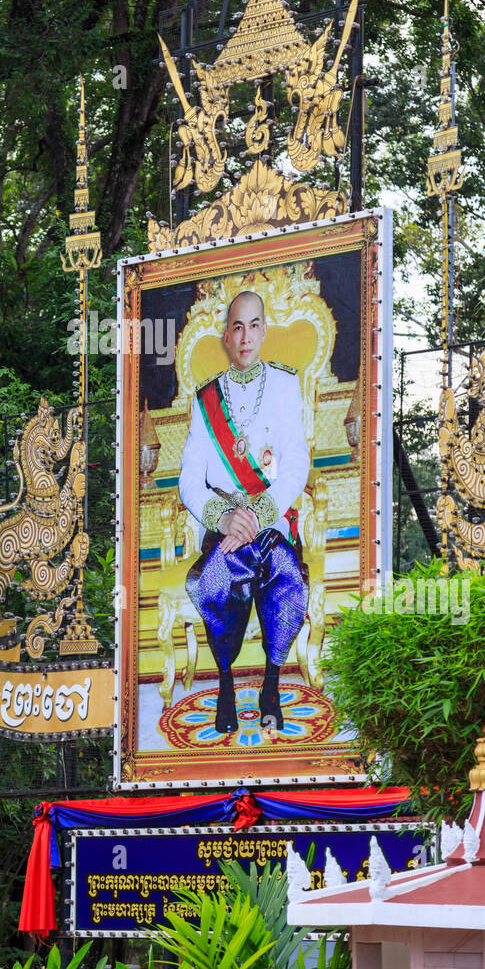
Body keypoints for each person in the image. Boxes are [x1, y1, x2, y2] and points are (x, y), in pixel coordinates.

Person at [178, 290, 310, 737]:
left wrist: (258, 513)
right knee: (215, 580)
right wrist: (223, 518)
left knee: (285, 572)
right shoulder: (206, 399)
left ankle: (271, 683)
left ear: (264, 331)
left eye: (254, 325)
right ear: (227, 336)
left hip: (269, 523)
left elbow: (296, 464)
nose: (246, 336)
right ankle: (226, 683)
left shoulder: (285, 384)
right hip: (226, 530)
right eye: (237, 327)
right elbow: (189, 480)